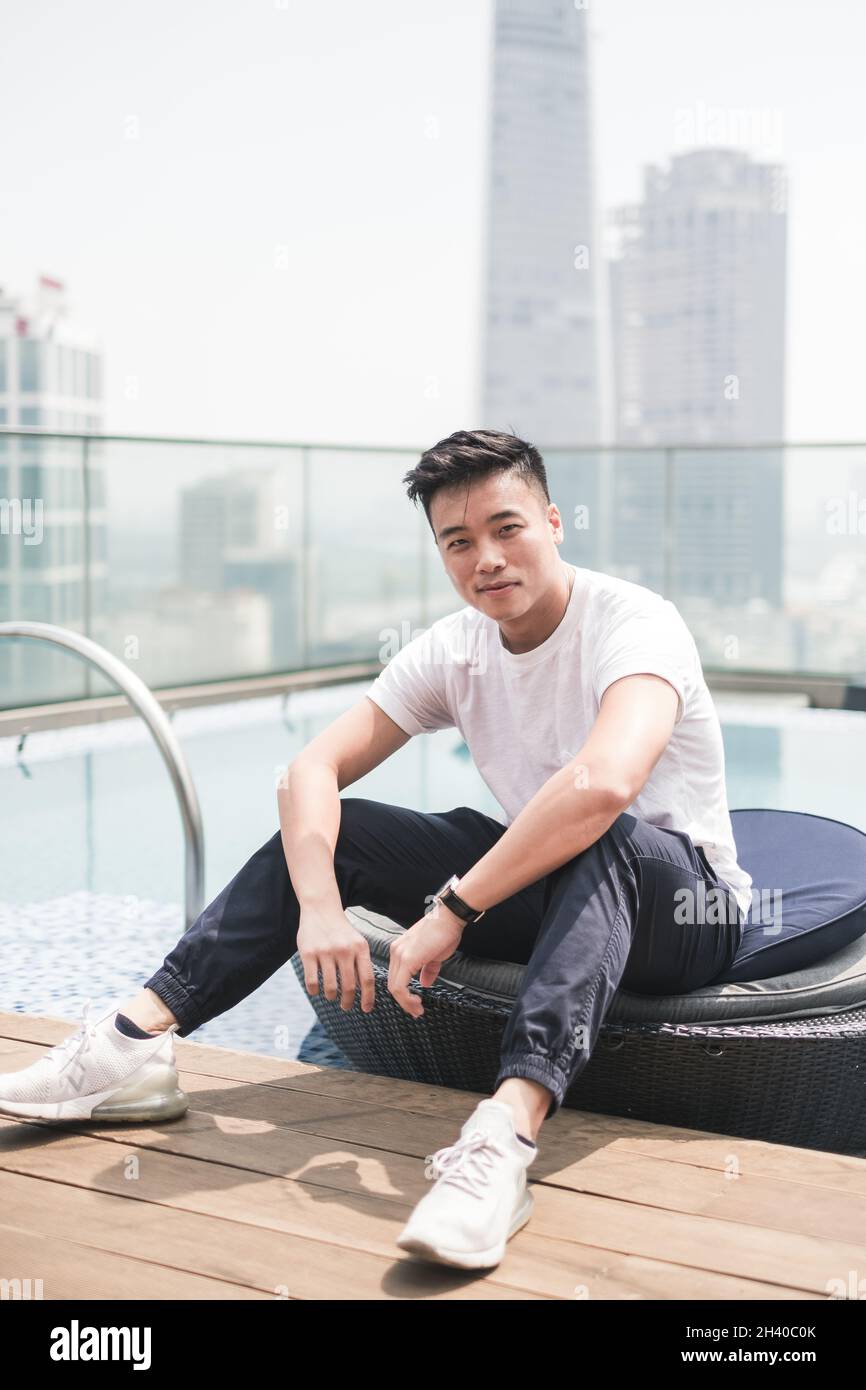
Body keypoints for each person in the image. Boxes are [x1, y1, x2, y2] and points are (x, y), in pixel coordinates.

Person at [0, 429, 751, 1271]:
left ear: (552, 520)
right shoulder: (457, 647)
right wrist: (321, 908)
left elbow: (604, 783)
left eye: (508, 529)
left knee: (604, 834)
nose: (487, 559)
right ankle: (134, 1045)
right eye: (458, 542)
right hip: (551, 887)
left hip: (684, 905)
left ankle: (504, 1137)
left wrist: (452, 909)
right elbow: (310, 767)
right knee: (341, 827)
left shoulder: (634, 622)